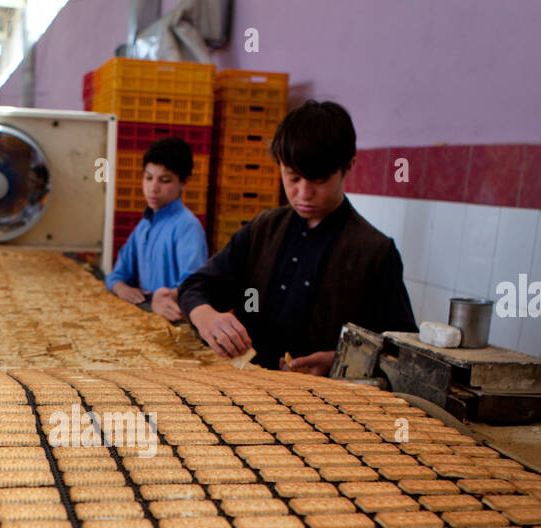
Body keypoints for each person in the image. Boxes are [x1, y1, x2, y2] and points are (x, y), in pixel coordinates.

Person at [177, 100, 416, 374]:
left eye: (318, 180)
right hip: (247, 387)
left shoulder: (374, 252)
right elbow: (196, 286)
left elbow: (403, 350)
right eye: (292, 177)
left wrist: (342, 360)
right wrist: (206, 316)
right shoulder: (264, 229)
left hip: (327, 403)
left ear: (348, 166)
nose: (303, 193)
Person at [105, 137, 208, 322]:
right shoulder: (144, 225)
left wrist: (170, 296)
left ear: (184, 182)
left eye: (165, 180)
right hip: (151, 320)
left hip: (176, 325)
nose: (153, 188)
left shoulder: (187, 227)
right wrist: (121, 287)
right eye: (148, 177)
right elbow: (118, 273)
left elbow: (195, 286)